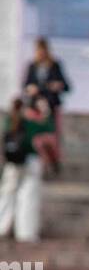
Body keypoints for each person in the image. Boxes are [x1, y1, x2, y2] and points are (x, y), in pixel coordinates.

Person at [22, 37, 70, 169]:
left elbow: (66, 86)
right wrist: (31, 89)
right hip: (36, 108)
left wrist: (56, 86)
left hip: (52, 107)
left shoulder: (55, 65)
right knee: (36, 137)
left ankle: (54, 163)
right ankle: (39, 161)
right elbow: (26, 86)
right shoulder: (32, 66)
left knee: (52, 137)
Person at [0, 97, 43, 243]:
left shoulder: (9, 121)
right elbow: (42, 135)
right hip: (29, 161)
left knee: (7, 196)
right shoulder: (30, 122)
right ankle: (25, 232)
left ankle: (2, 227)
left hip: (11, 162)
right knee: (27, 197)